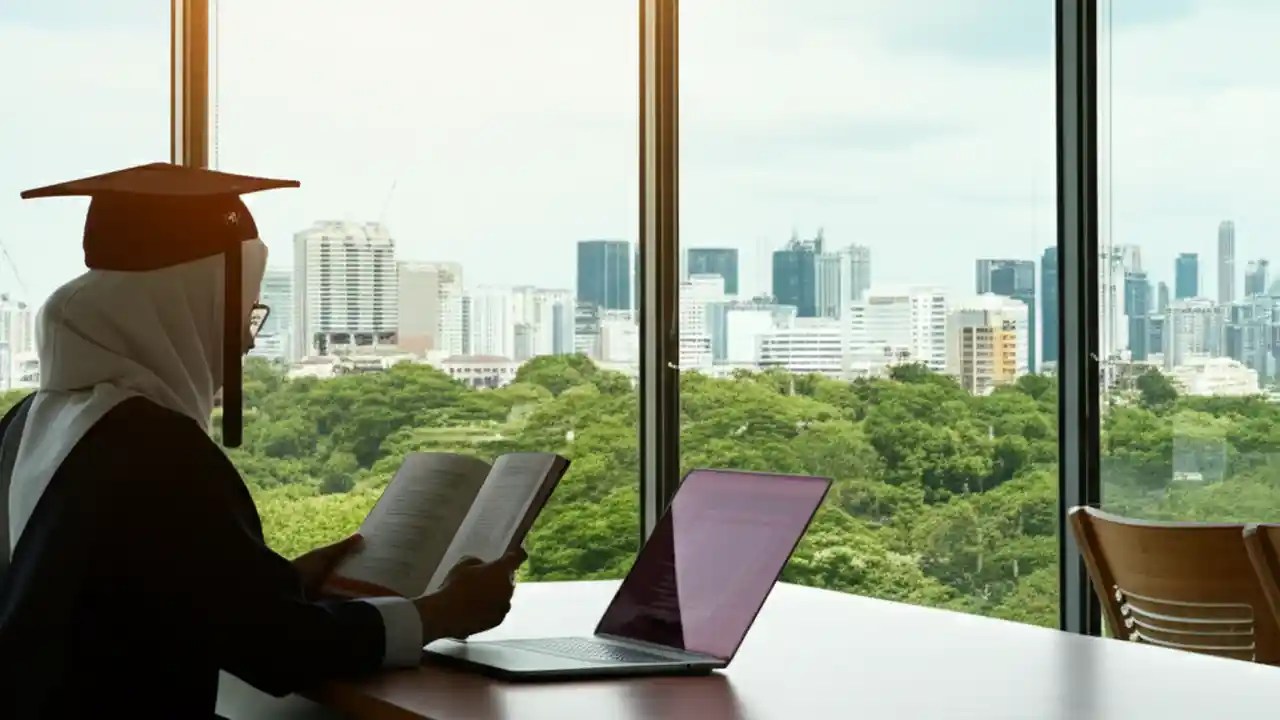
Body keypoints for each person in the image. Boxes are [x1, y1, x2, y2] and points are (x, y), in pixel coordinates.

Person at [0, 163, 524, 718]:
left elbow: (117, 595)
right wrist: (440, 614)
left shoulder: (29, 421)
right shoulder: (156, 449)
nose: (246, 344)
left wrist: (275, 580)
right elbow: (279, 650)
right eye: (240, 314)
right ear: (184, 306)